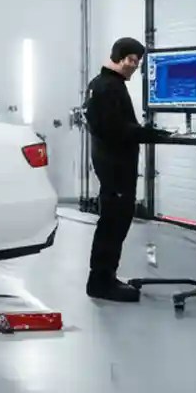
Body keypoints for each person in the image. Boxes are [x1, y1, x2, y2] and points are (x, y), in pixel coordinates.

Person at [84, 37, 166, 302]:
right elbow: (114, 129)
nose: (133, 66)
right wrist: (151, 134)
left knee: (113, 222)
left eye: (137, 62)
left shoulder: (103, 84)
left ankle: (105, 277)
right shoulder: (109, 87)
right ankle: (101, 282)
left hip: (111, 165)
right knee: (113, 223)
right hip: (115, 167)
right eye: (130, 60)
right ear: (117, 57)